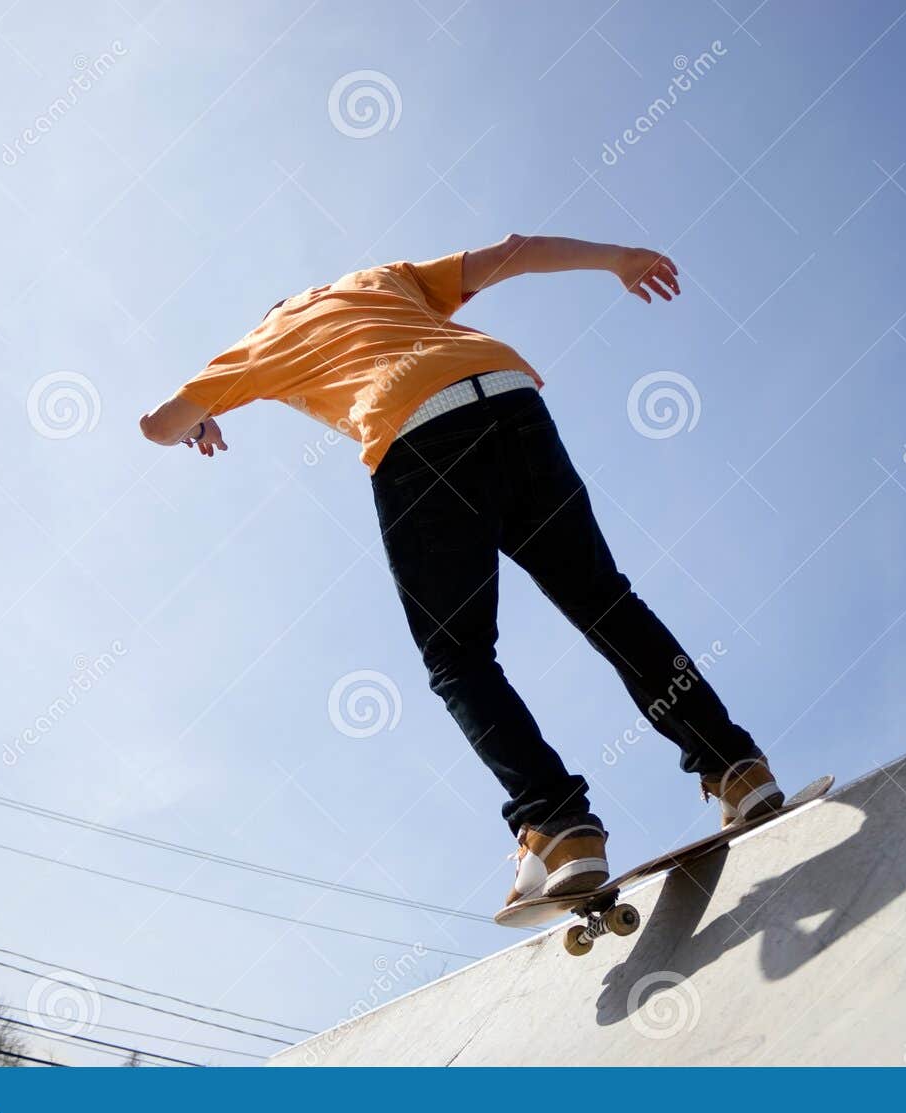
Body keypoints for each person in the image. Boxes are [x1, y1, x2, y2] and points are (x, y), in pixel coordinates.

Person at [140, 235, 779, 909]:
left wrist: (198, 423)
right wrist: (620, 259)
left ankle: (559, 824)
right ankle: (736, 768)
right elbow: (515, 251)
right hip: (508, 394)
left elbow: (156, 424)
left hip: (417, 435)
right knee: (604, 601)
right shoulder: (380, 281)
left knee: (457, 655)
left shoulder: (263, 343)